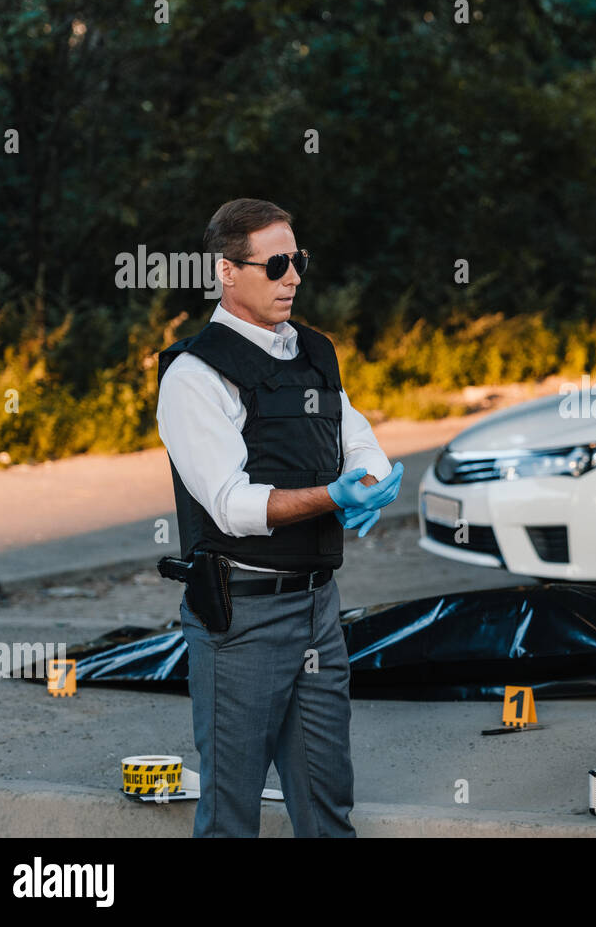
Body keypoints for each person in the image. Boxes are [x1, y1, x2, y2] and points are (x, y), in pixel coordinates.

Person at [156, 197, 404, 837]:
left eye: (297, 261)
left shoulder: (315, 352)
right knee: (231, 818)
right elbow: (232, 506)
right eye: (275, 264)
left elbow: (356, 436)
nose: (293, 276)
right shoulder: (195, 374)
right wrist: (335, 498)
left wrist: (372, 480)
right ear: (226, 272)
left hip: (320, 608)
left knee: (328, 809)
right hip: (244, 615)